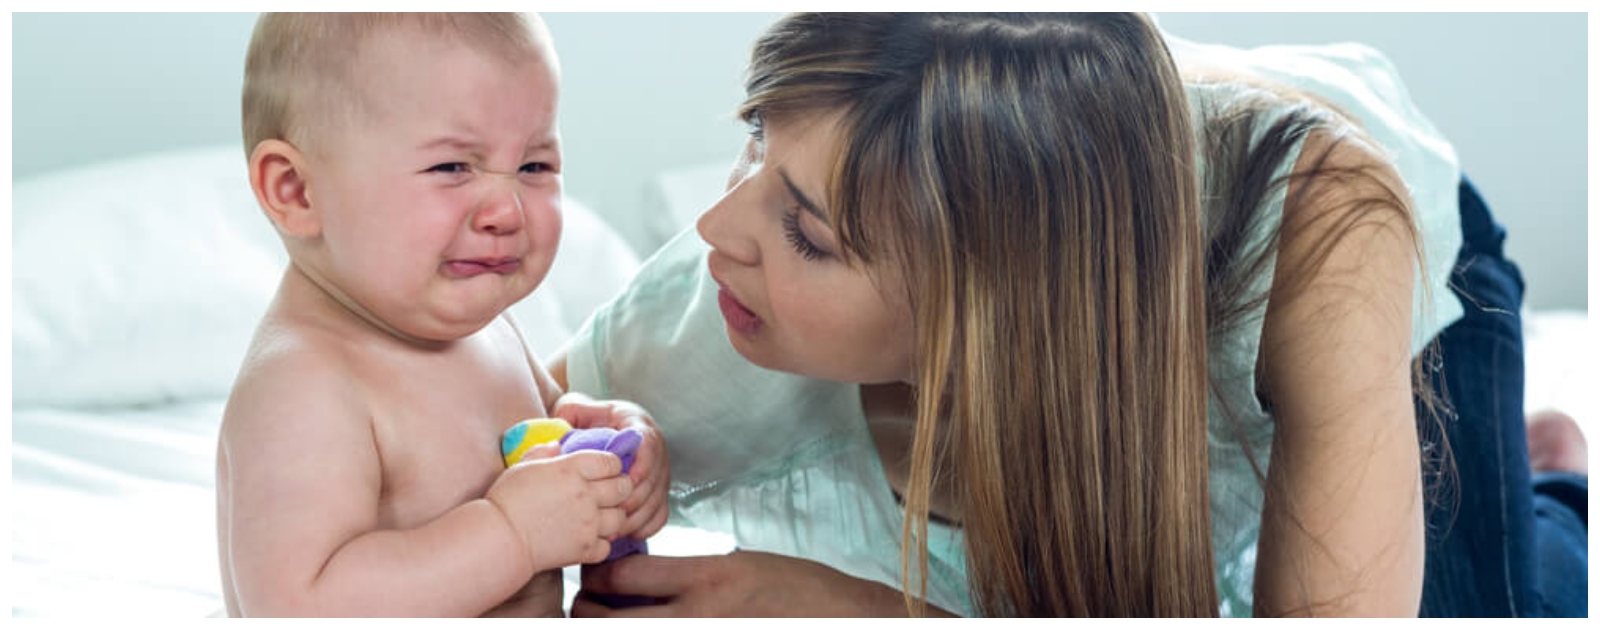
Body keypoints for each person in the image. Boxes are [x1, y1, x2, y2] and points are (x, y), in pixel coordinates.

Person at [550, 13, 1587, 617]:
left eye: (809, 234)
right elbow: (502, 435)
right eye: (753, 140)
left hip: (1381, 256)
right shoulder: (713, 307)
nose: (714, 224)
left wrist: (859, 609)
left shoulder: (1323, 243)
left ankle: (1554, 492)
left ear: (988, 307)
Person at [215, 13, 668, 617]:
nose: (506, 210)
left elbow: (536, 434)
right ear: (297, 191)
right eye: (452, 167)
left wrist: (605, 447)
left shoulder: (487, 330)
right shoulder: (305, 386)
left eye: (534, 166)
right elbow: (300, 606)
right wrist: (512, 533)